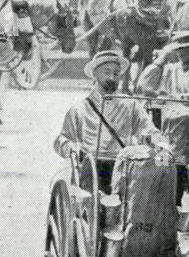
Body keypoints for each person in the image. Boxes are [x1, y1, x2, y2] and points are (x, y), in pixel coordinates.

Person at [55, 50, 162, 195]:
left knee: (161, 167)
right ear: (95, 74)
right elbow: (61, 139)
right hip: (92, 170)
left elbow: (149, 129)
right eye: (107, 72)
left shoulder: (130, 105)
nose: (112, 77)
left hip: (124, 168)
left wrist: (160, 144)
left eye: (116, 74)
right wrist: (71, 148)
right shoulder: (79, 110)